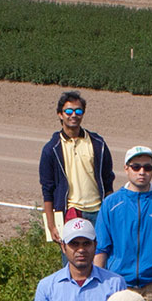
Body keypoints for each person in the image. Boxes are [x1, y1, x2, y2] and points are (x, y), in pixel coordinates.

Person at [94, 144, 152, 301]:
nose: (142, 172)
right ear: (126, 169)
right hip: (119, 285)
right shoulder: (111, 204)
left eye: (147, 167)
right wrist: (99, 285)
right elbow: (101, 248)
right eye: (136, 167)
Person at [36, 90, 114, 241]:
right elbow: (47, 189)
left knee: (101, 254)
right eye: (68, 111)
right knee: (72, 256)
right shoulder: (51, 149)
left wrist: (110, 214)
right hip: (70, 213)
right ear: (60, 114)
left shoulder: (98, 144)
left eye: (78, 111)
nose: (74, 115)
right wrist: (51, 226)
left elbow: (108, 180)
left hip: (98, 213)